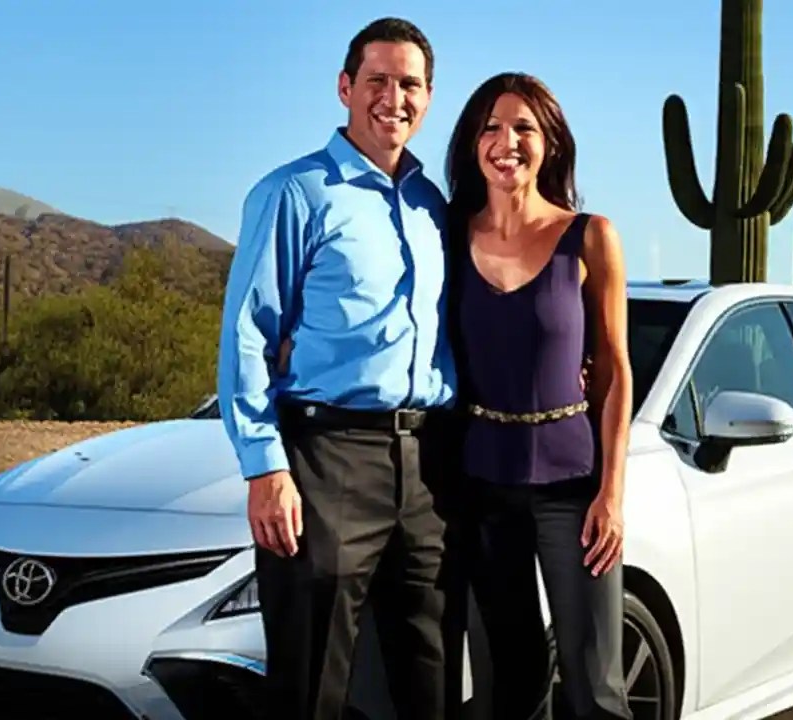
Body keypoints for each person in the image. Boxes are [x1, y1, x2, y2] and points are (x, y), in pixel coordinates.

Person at [216, 17, 467, 720]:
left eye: (410, 84)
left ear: (428, 96)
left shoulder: (433, 205)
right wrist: (266, 470)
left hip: (429, 470)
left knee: (430, 678)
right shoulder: (293, 193)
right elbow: (246, 336)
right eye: (378, 81)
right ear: (345, 88)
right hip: (328, 461)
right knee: (311, 684)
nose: (395, 97)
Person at [443, 72, 636, 720]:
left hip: (572, 487)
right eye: (491, 127)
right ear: (473, 143)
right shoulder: (448, 237)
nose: (507, 141)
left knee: (595, 689)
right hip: (479, 489)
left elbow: (613, 370)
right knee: (509, 686)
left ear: (550, 142)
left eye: (524, 127)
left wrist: (611, 494)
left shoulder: (591, 236)